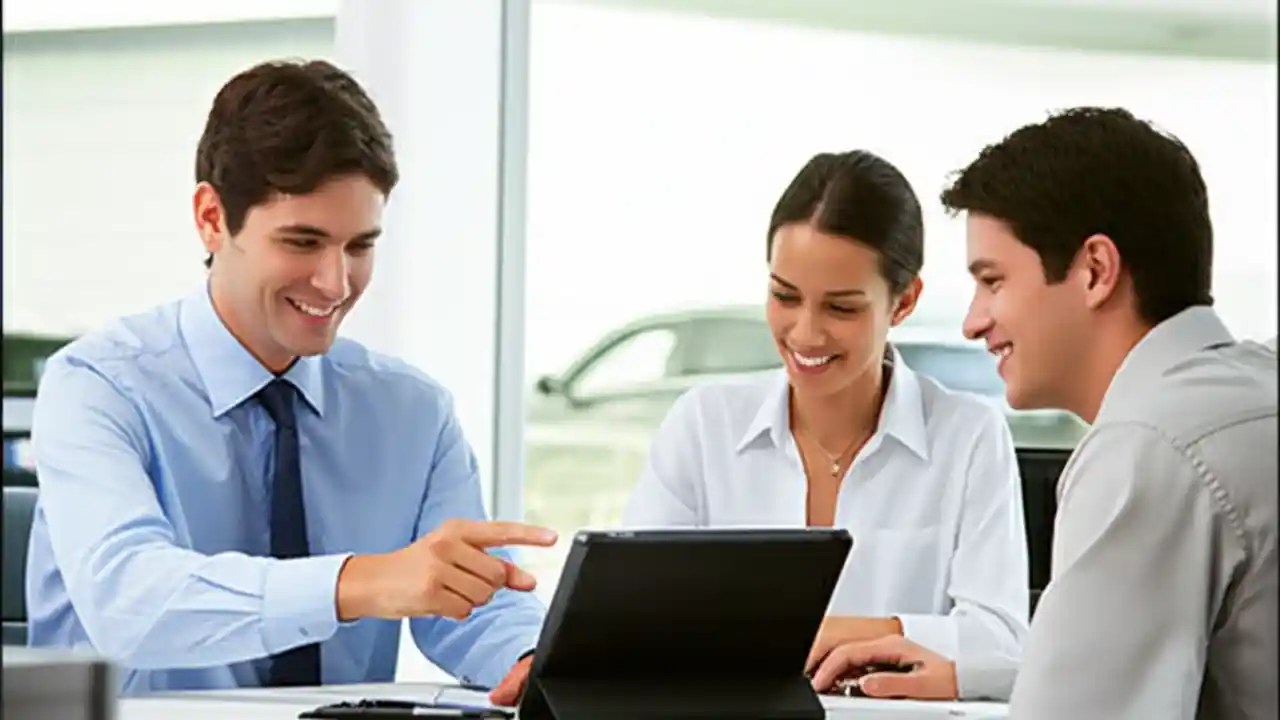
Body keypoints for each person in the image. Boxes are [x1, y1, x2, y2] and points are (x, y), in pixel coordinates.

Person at [26, 59, 555, 705]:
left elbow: (472, 605)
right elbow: (127, 602)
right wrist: (359, 582)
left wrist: (527, 657)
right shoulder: (96, 385)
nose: (336, 284)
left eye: (360, 247)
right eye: (303, 242)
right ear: (212, 217)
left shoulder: (412, 410)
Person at [811, 108, 1277, 719]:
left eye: (993, 281)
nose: (973, 322)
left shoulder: (1147, 450)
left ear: (1095, 271)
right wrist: (983, 673)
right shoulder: (1251, 390)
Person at [623, 150, 1030, 701]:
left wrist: (845, 634)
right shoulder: (703, 426)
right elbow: (634, 620)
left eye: (841, 308)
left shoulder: (969, 436)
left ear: (904, 302)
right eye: (784, 296)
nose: (805, 333)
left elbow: (1003, 645)